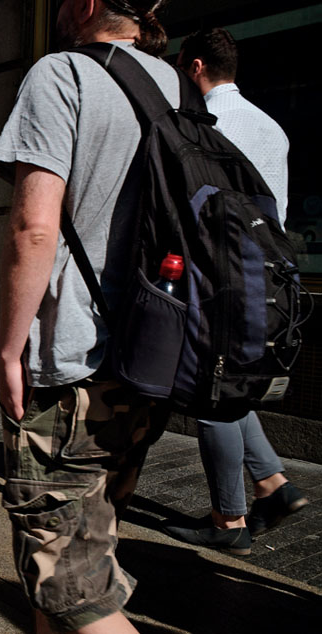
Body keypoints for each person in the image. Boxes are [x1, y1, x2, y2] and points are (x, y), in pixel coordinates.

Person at [0, 2, 176, 632]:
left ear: (90, 4)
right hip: (150, 362)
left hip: (73, 368)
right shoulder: (176, 86)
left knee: (73, 583)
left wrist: (10, 351)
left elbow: (33, 227)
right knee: (80, 554)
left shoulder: (62, 73)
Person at [162, 28, 307, 554]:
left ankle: (230, 522)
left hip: (222, 273)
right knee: (233, 383)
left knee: (212, 391)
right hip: (273, 273)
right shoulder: (273, 128)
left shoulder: (205, 124)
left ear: (195, 66)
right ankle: (273, 485)